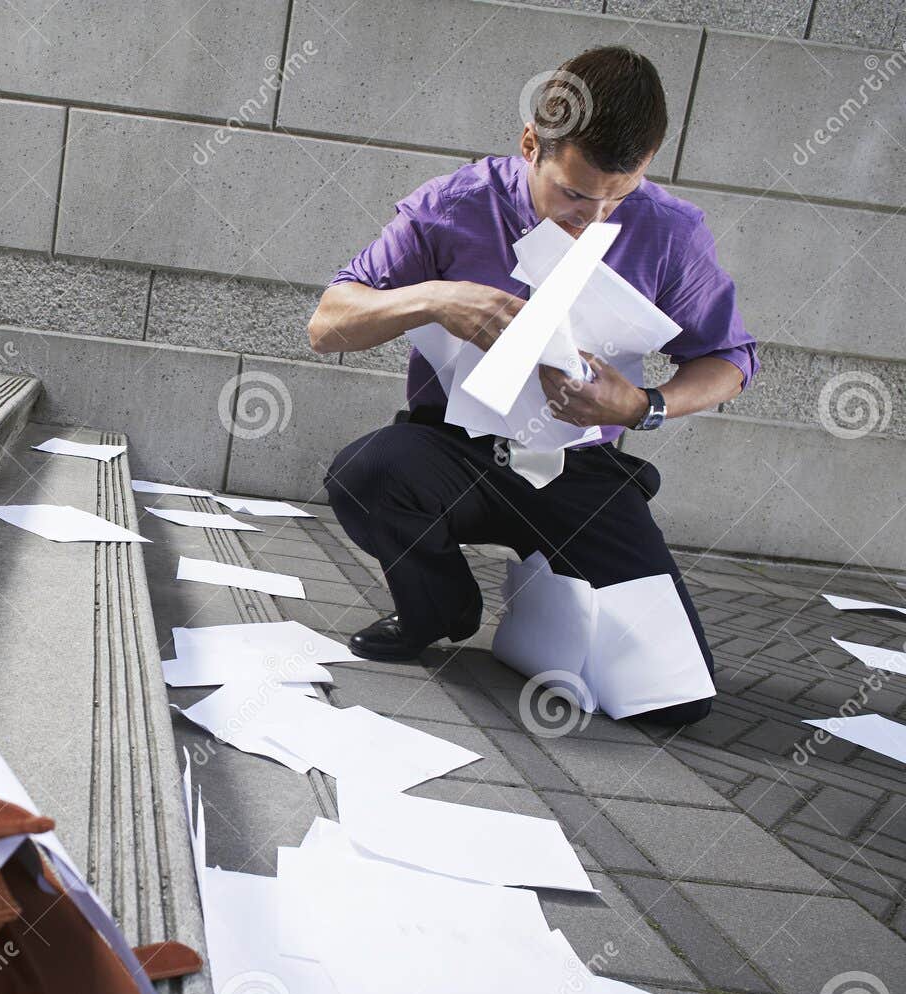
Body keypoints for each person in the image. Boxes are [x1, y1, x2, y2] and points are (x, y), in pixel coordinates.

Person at [308, 45, 756, 726]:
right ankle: (443, 606)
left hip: (580, 468)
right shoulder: (452, 206)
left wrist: (643, 404)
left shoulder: (671, 233)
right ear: (530, 145)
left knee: (678, 701)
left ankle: (553, 587)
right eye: (574, 193)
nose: (594, 219)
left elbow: (730, 360)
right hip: (453, 452)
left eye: (619, 195)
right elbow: (327, 323)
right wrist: (435, 297)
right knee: (364, 475)